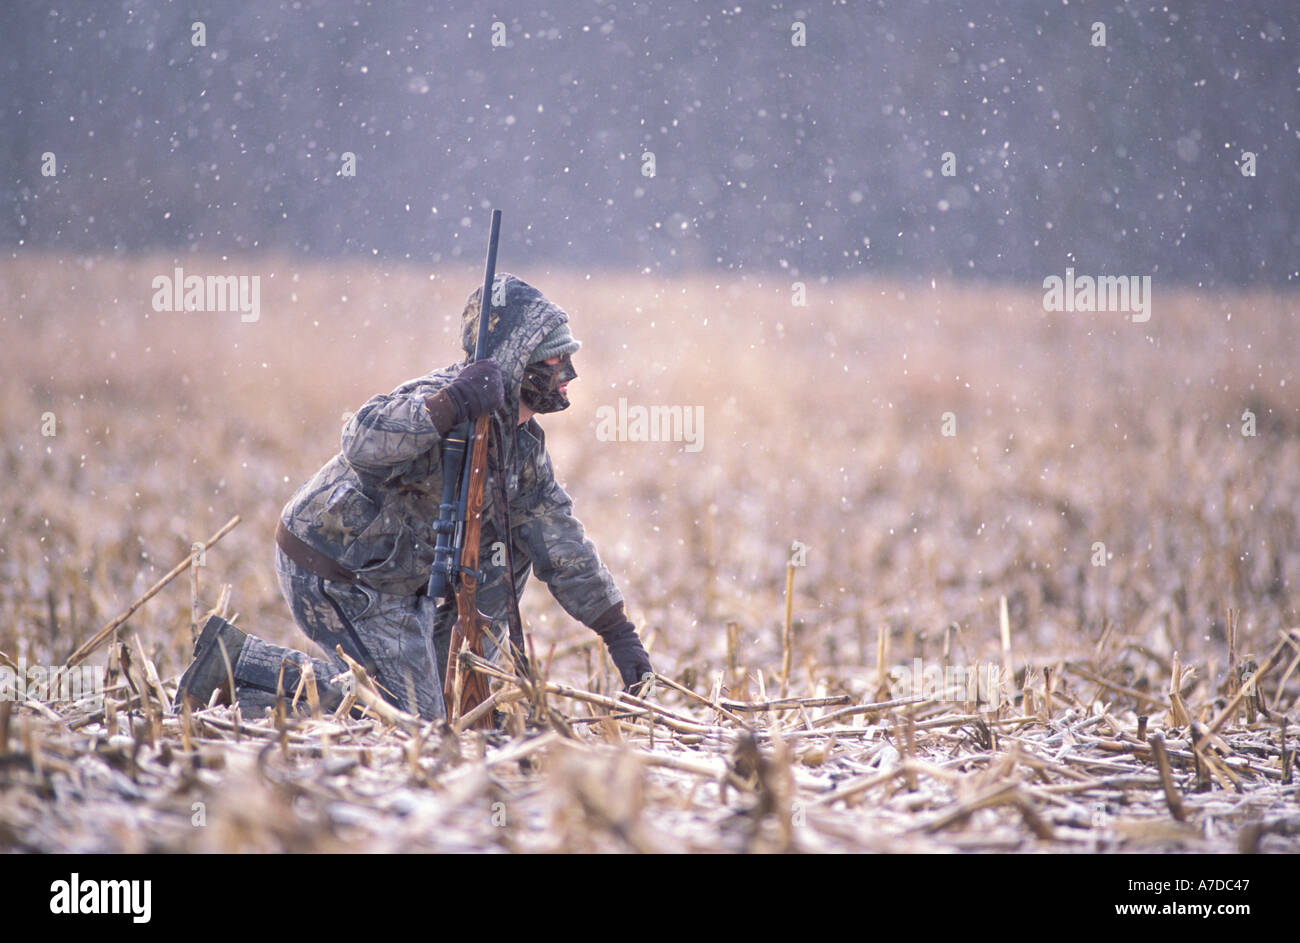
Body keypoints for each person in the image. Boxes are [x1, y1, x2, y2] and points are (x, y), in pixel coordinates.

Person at [175, 274, 654, 720]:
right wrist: (451, 407)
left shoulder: (522, 448)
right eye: (553, 360)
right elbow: (361, 440)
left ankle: (453, 689)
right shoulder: (445, 395)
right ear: (516, 364)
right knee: (403, 721)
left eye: (568, 357)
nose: (569, 371)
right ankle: (235, 668)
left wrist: (618, 633)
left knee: (452, 700)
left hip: (399, 583)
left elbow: (561, 541)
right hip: (338, 568)